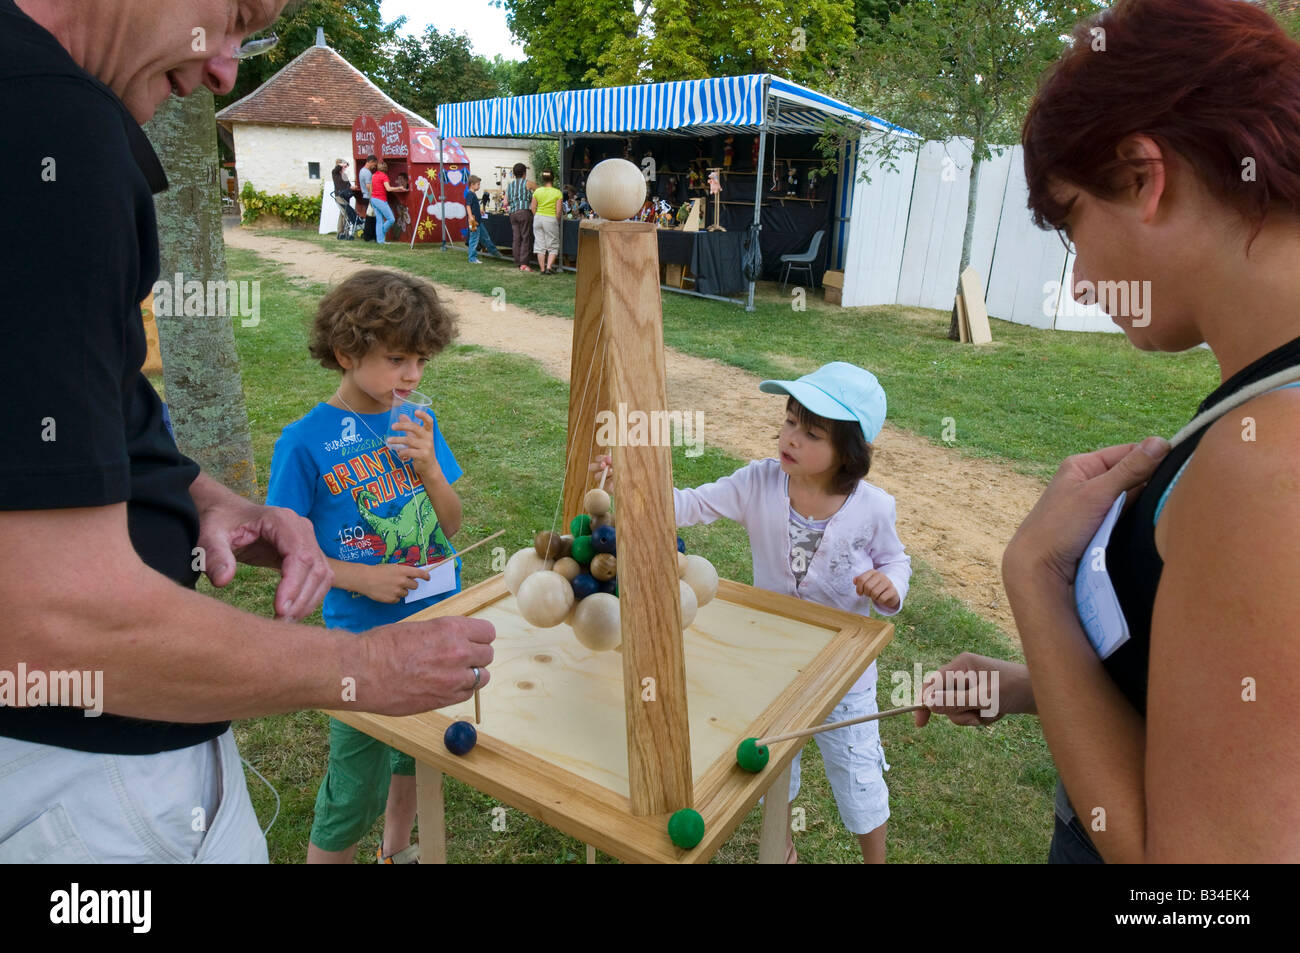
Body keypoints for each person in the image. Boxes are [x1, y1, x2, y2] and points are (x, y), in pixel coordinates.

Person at [0, 0, 493, 864]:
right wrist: (363, 669)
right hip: (82, 783)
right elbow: (52, 614)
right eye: (232, 14)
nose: (226, 69)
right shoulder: (48, 121)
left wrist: (200, 497)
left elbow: (61, 428)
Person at [920, 0, 1300, 863]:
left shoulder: (1270, 461)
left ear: (1142, 175)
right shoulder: (1261, 406)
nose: (1084, 280)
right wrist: (1035, 687)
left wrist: (1035, 579)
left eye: (1069, 225)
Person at [662, 362, 911, 863]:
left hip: (846, 674)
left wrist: (890, 587)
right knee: (775, 765)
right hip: (771, 662)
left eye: (812, 432)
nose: (791, 437)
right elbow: (687, 505)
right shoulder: (758, 482)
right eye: (790, 420)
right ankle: (784, 847)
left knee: (857, 774)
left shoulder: (874, 508)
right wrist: (630, 484)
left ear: (849, 453)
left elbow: (895, 560)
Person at [266, 269, 464, 865]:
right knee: (356, 781)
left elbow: (450, 525)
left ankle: (396, 850)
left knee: (417, 752)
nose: (412, 376)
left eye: (422, 361)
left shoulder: (415, 424)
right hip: (361, 641)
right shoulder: (304, 442)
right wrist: (362, 577)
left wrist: (429, 466)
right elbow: (284, 549)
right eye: (398, 359)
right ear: (346, 352)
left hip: (435, 616)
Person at [530, 171, 564, 275]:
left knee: (540, 243)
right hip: (550, 218)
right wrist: (556, 219)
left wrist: (537, 215)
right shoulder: (557, 192)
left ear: (543, 180)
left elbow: (533, 207)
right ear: (553, 179)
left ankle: (542, 269)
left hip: (538, 218)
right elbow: (558, 211)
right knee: (553, 244)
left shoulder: (537, 191)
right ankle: (549, 267)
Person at [465, 174, 502, 263]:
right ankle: (472, 258)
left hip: (479, 221)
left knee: (485, 237)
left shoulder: (473, 194)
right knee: (474, 239)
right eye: (478, 184)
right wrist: (470, 217)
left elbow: (474, 206)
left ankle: (494, 252)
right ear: (472, 184)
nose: (479, 186)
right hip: (474, 221)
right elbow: (468, 206)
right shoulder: (470, 194)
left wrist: (480, 211)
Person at [506, 162, 534, 272]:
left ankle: (517, 261)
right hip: (524, 211)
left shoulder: (510, 185)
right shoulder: (528, 183)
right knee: (525, 238)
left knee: (516, 238)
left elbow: (506, 201)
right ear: (524, 173)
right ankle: (524, 263)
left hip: (513, 213)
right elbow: (540, 190)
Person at [368, 160, 403, 245]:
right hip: (381, 200)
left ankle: (381, 241)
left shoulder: (373, 175)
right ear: (386, 169)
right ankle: (382, 231)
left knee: (379, 220)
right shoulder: (384, 176)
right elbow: (388, 189)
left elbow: (371, 188)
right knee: (391, 219)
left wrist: (370, 199)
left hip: (373, 199)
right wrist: (399, 188)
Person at [331, 158, 360, 240]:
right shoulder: (335, 173)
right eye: (341, 164)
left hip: (346, 196)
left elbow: (348, 185)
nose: (344, 167)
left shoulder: (344, 175)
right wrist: (343, 164)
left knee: (342, 214)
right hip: (339, 195)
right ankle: (343, 232)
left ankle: (341, 232)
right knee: (346, 214)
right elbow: (338, 168)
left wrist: (353, 188)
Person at [359, 154, 378, 242]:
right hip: (368, 196)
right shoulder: (367, 173)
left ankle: (368, 236)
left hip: (364, 196)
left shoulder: (361, 171)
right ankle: (370, 236)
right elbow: (368, 186)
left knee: (369, 217)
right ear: (371, 162)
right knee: (371, 218)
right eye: (374, 165)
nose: (374, 167)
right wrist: (373, 196)